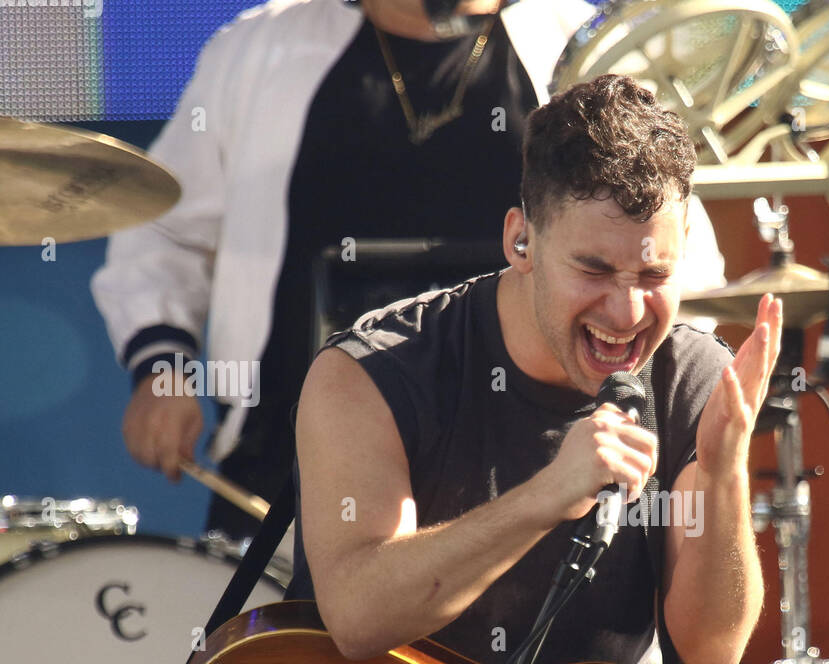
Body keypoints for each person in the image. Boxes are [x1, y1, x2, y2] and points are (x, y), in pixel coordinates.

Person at [287, 73, 779, 664]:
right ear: (521, 238)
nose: (629, 313)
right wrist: (545, 498)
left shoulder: (689, 381)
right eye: (595, 271)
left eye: (654, 276)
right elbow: (354, 614)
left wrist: (720, 470)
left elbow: (710, 650)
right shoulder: (374, 372)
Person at [91, 0, 724, 541]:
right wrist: (162, 365)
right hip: (282, 483)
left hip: (539, 481)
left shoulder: (584, 50)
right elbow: (165, 226)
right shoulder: (259, 50)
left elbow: (673, 258)